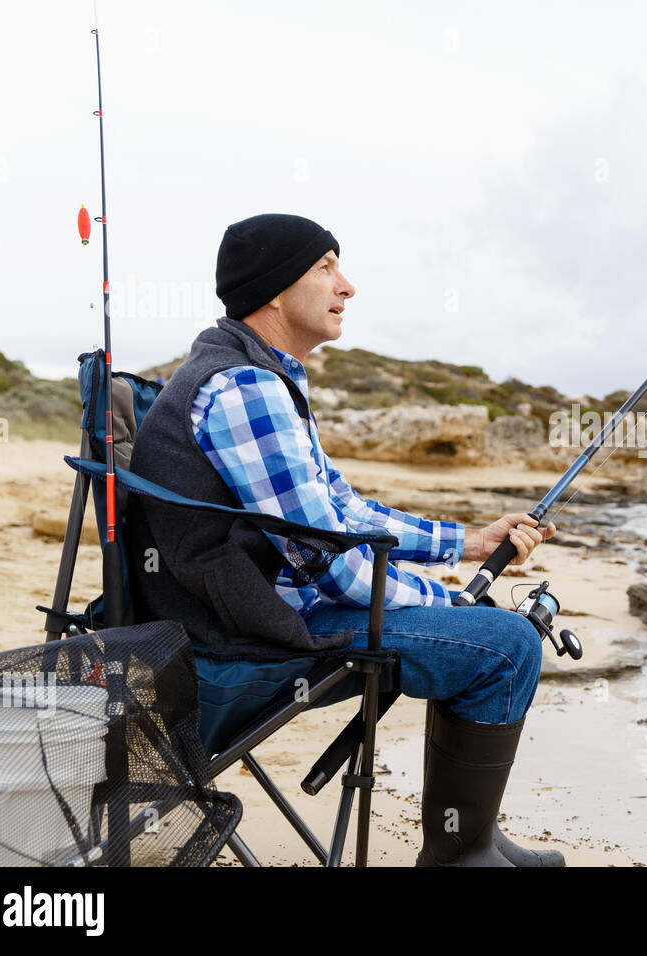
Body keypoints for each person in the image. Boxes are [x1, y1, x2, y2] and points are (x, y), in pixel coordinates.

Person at [126, 213, 561, 867]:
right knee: (508, 646)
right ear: (274, 290)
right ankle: (460, 856)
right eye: (326, 267)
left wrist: (466, 544)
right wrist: (448, 603)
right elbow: (334, 564)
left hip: (233, 615)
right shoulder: (245, 388)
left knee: (487, 633)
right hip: (238, 643)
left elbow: (341, 512)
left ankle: (472, 842)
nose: (347, 286)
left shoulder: (261, 375)